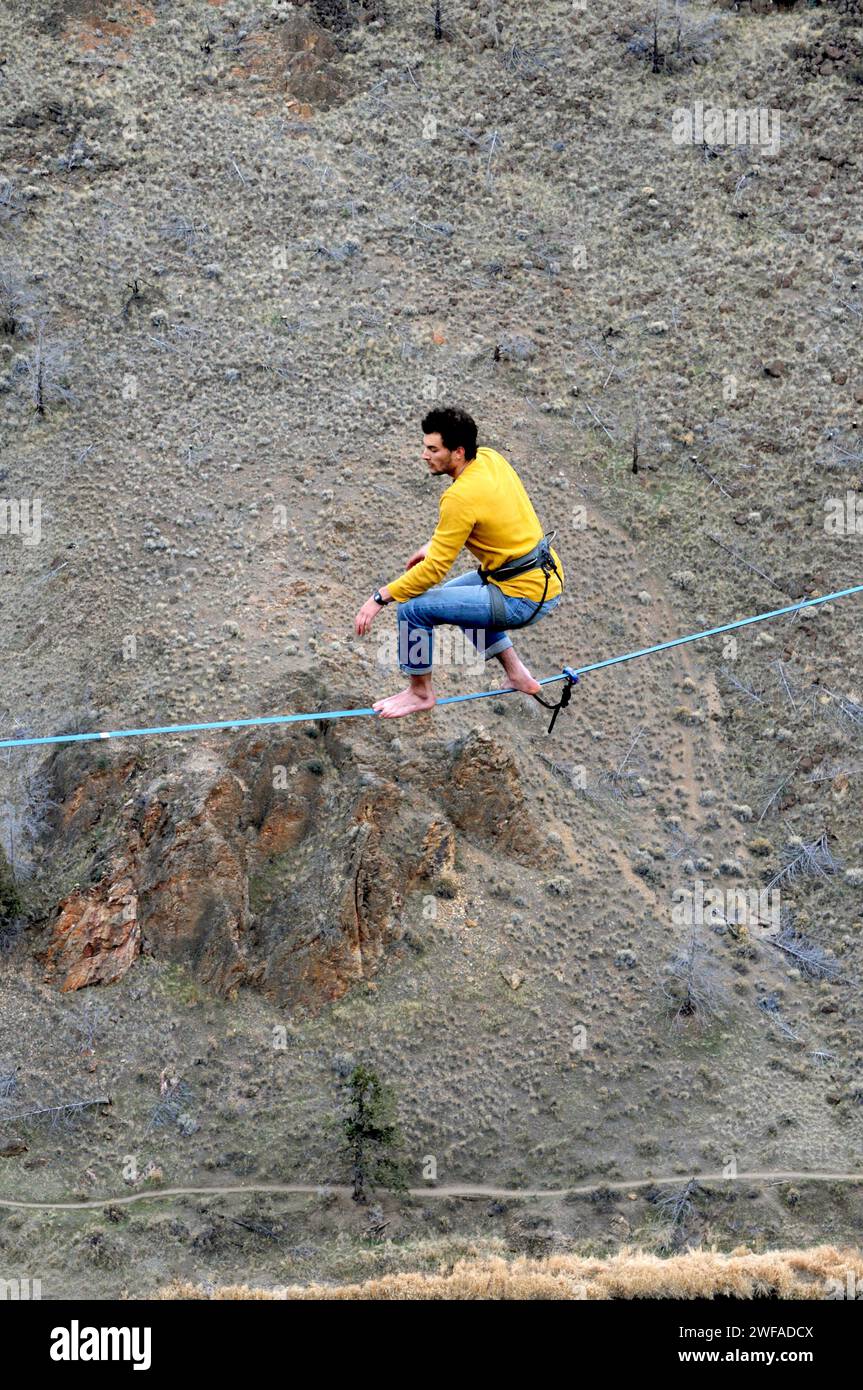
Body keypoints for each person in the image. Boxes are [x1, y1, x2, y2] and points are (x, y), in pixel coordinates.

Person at [354, 406, 564, 719]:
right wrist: (434, 544)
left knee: (412, 608)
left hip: (521, 596)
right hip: (543, 577)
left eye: (433, 449)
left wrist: (379, 598)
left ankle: (419, 692)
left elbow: (432, 572)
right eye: (425, 446)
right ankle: (517, 672)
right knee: (453, 597)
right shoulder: (490, 459)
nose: (424, 455)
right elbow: (488, 514)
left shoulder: (459, 497)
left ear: (458, 452)